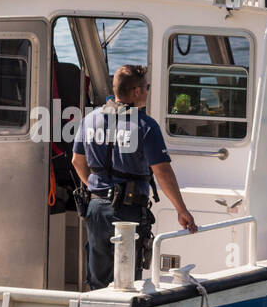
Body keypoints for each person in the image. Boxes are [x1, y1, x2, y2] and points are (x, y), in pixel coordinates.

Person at [71, 64, 197, 289]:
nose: (148, 91)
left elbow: (77, 162)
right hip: (128, 211)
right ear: (137, 91)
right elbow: (162, 172)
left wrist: (96, 188)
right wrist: (181, 209)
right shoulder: (145, 126)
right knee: (127, 280)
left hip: (97, 208)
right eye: (146, 87)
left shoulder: (89, 120)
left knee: (98, 279)